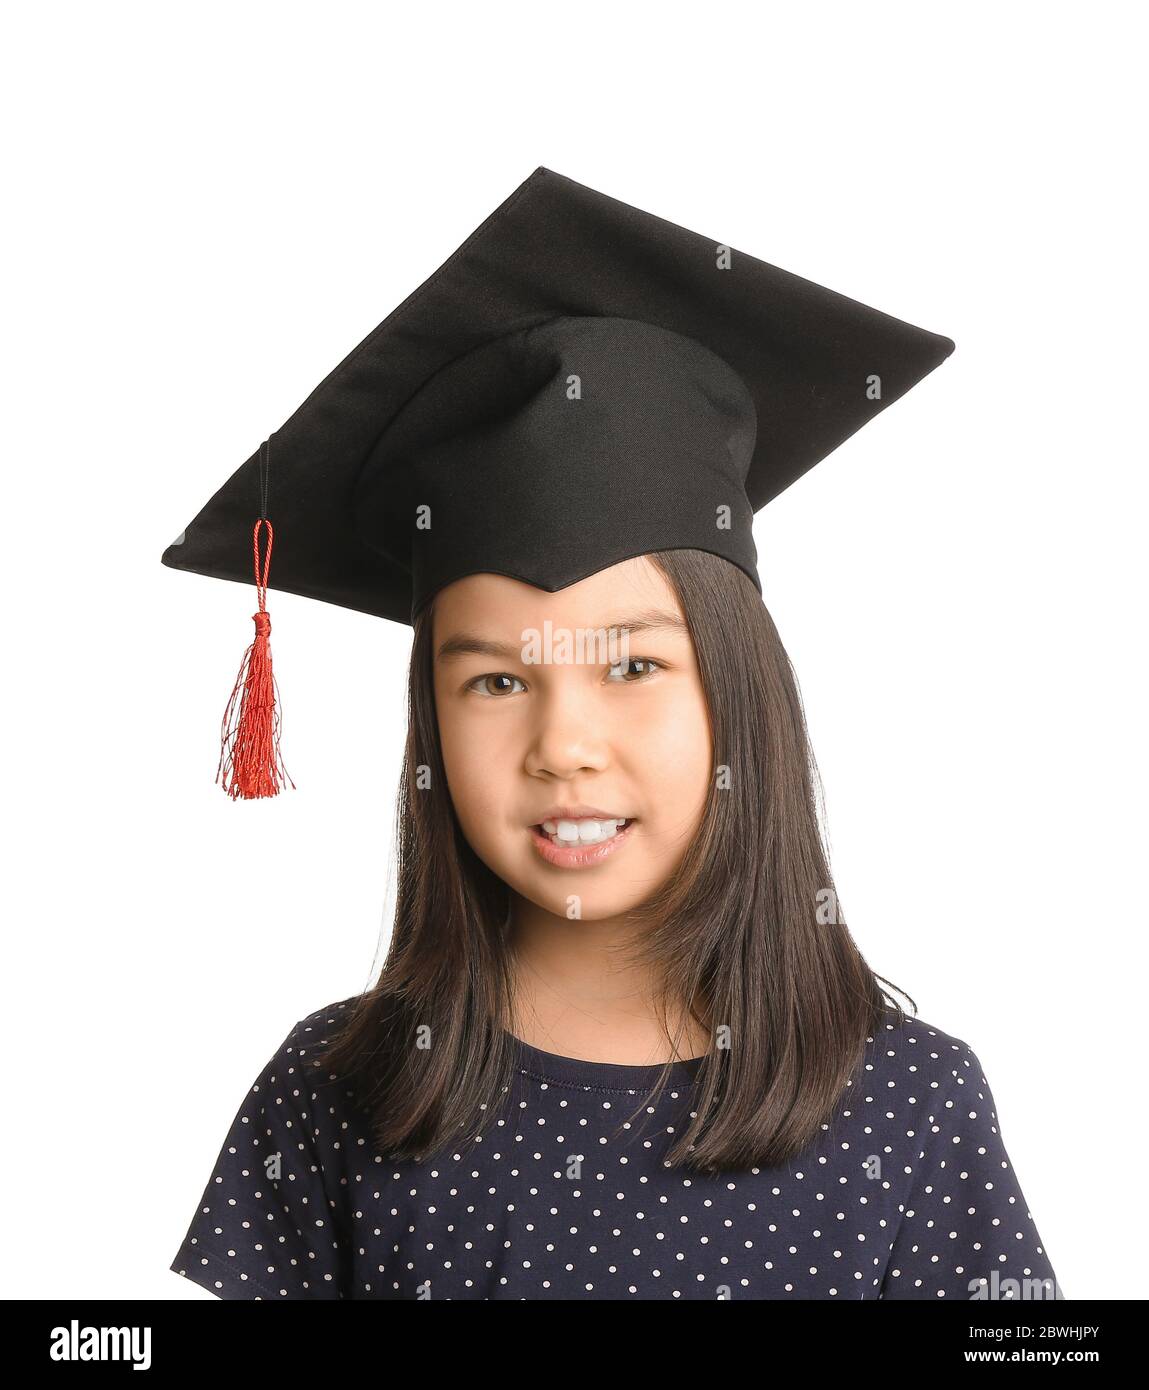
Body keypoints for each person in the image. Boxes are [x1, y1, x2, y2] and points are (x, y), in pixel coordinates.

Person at [163, 167, 1061, 1300]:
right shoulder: (341, 1085)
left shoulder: (911, 1107)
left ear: (741, 696)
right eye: (494, 682)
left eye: (634, 664)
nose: (563, 744)